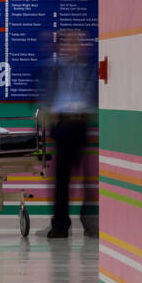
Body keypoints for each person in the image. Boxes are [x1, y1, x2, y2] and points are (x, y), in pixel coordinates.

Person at [41, 30, 98, 238]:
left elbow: (94, 94)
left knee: (88, 179)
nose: (75, 47)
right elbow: (47, 95)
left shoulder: (90, 67)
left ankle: (90, 222)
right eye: (71, 43)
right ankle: (60, 225)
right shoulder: (54, 68)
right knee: (62, 179)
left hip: (81, 124)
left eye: (78, 43)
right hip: (63, 124)